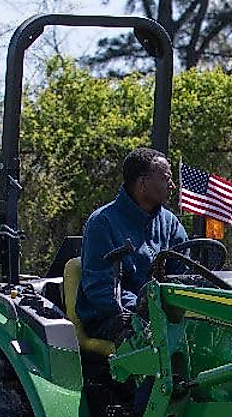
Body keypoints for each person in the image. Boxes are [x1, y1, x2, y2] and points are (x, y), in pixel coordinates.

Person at [76, 147, 188, 343]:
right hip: (112, 317)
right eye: (166, 178)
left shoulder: (170, 223)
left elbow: (183, 275)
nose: (172, 186)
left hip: (159, 314)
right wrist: (145, 307)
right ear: (143, 183)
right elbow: (101, 288)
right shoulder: (102, 223)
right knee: (150, 342)